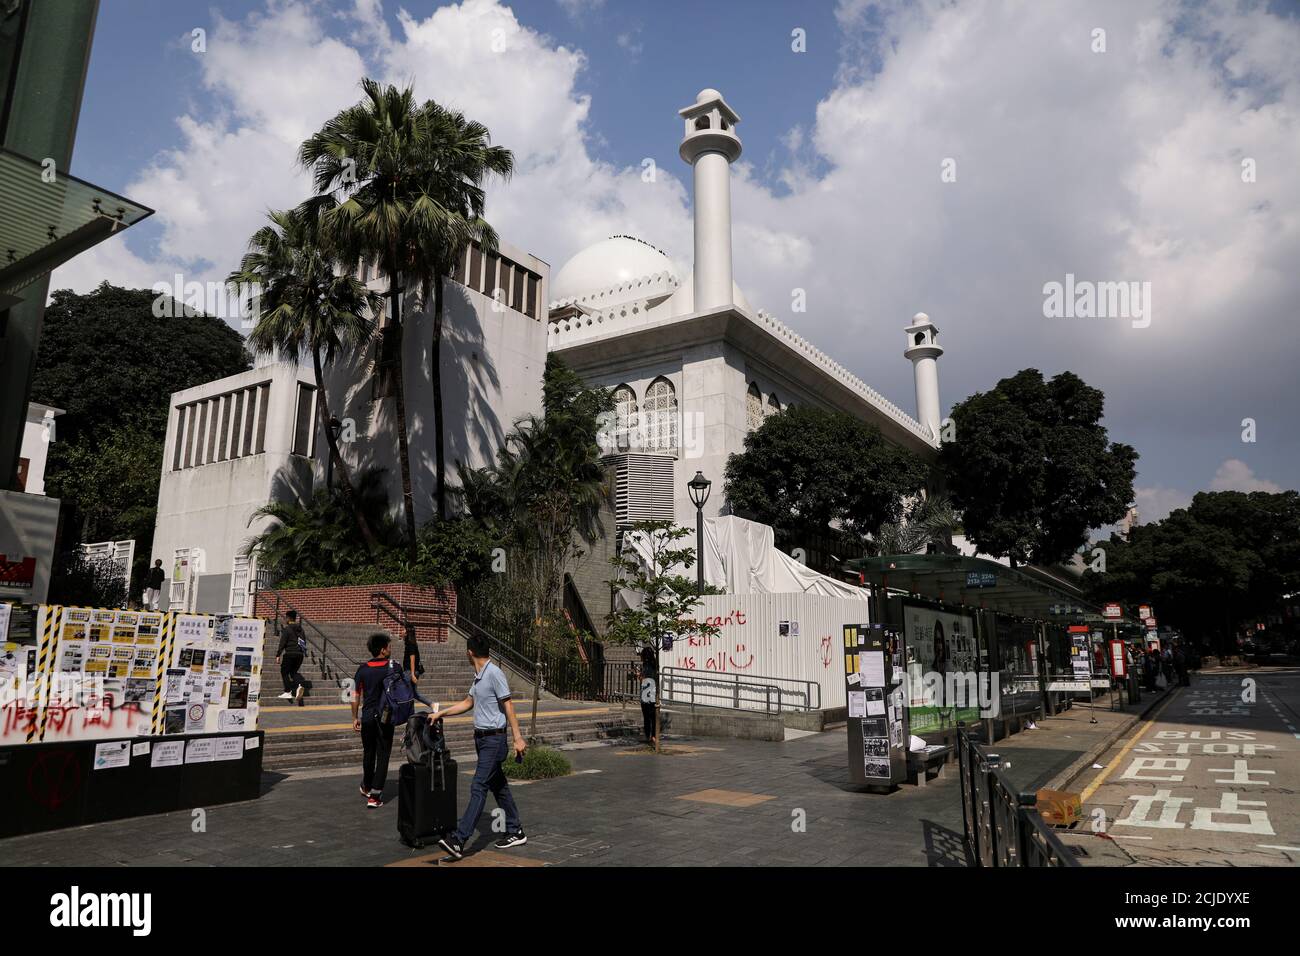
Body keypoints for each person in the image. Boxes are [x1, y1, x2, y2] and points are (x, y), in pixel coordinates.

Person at [436, 634, 527, 858]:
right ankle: (515, 829)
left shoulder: (494, 673)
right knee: (499, 786)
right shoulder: (478, 676)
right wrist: (441, 713)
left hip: (494, 740)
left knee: (479, 786)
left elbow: (508, 705)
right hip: (482, 740)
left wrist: (517, 737)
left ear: (469, 653)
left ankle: (459, 839)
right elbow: (469, 702)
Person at [351, 631, 399, 808]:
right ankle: (375, 796)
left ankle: (366, 785)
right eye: (389, 646)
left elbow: (355, 695)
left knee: (369, 752)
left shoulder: (363, 669)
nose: (391, 649)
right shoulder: (394, 667)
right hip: (386, 717)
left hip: (368, 717)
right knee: (383, 754)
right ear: (383, 650)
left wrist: (355, 717)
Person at [275, 610, 308, 704]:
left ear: (288, 618)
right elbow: (304, 642)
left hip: (290, 654)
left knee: (284, 672)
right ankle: (299, 686)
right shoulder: (301, 629)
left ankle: (288, 691)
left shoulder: (287, 629)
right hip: (299, 655)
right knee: (293, 672)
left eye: (285, 617)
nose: (285, 619)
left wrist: (278, 654)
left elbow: (282, 643)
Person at [636, 647, 658, 746]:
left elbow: (644, 680)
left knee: (646, 717)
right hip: (653, 693)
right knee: (653, 717)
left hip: (646, 694)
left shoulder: (646, 666)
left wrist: (639, 675)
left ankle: (648, 736)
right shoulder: (655, 665)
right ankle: (654, 736)